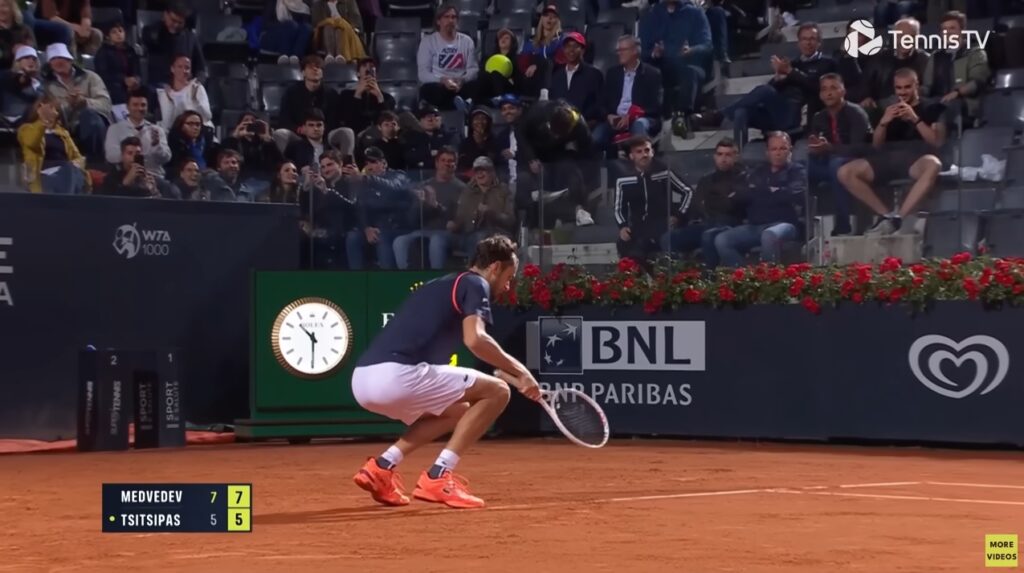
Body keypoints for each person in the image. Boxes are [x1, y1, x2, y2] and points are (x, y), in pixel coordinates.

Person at [351, 234, 541, 509]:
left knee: (459, 409)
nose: (508, 285)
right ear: (495, 268)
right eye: (509, 276)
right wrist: (521, 372)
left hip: (363, 381)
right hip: (398, 376)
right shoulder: (476, 283)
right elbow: (475, 340)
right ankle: (438, 476)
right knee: (498, 392)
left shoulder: (438, 284)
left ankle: (382, 467)